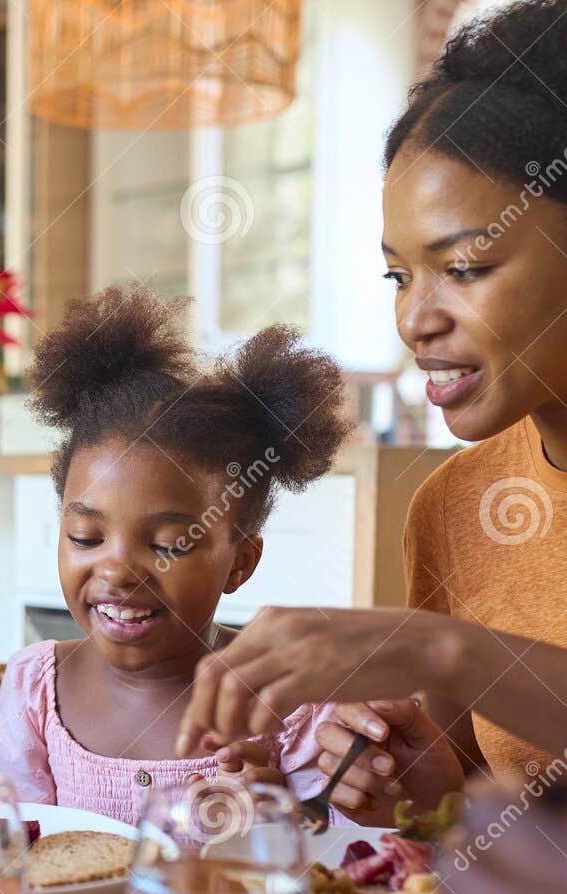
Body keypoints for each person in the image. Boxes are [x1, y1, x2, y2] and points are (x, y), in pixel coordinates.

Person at [177, 0, 567, 788]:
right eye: (398, 275)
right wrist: (420, 788)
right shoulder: (456, 507)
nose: (414, 318)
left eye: (464, 268)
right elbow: (488, 813)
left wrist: (437, 647)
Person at [0, 285, 399, 826]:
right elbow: (16, 827)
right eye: (86, 538)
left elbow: (349, 860)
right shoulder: (36, 688)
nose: (116, 570)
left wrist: (282, 812)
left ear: (240, 562)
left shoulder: (288, 707)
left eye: (168, 545)